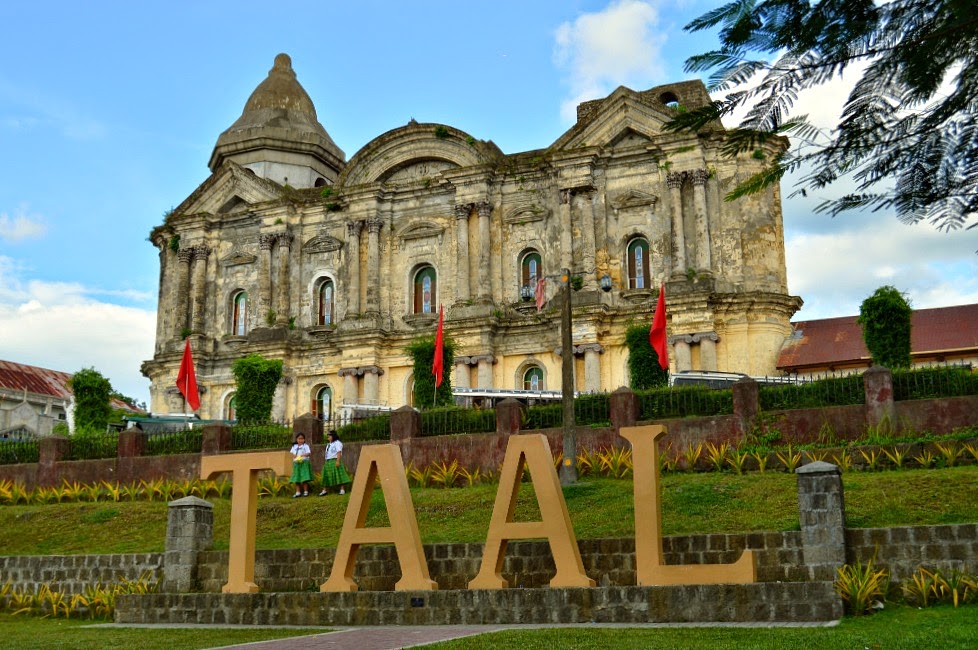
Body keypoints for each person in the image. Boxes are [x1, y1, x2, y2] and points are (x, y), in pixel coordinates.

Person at [319, 430, 352, 496]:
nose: (328, 437)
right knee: (326, 475)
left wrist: (338, 461)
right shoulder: (328, 444)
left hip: (335, 460)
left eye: (329, 436)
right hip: (328, 461)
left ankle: (342, 489)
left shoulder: (337, 443)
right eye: (328, 436)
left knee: (339, 475)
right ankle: (324, 490)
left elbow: (339, 452)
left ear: (333, 436)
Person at [289, 433, 313, 497]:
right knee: (297, 478)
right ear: (296, 439)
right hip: (296, 464)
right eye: (299, 439)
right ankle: (298, 492)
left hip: (304, 463)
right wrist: (294, 455)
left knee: (304, 478)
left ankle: (306, 491)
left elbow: (309, 453)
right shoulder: (294, 446)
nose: (300, 440)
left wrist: (303, 455)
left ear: (304, 439)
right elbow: (291, 454)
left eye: (302, 439)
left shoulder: (306, 446)